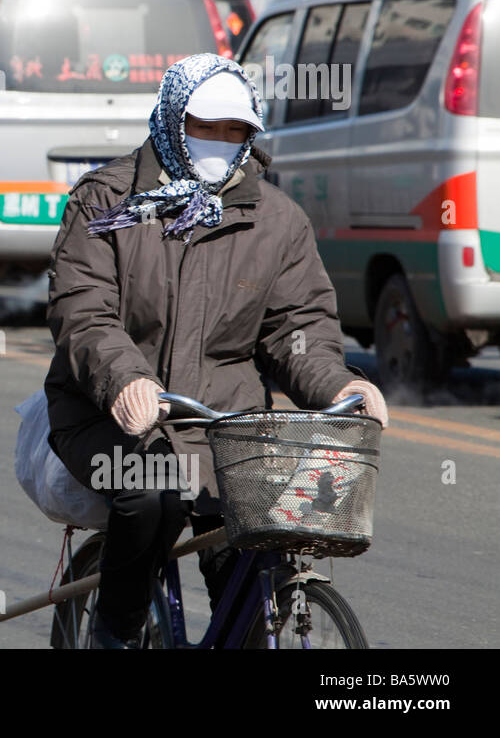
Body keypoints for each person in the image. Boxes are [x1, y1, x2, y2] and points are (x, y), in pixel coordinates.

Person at [44, 52, 390, 649]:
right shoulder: (106, 202)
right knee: (152, 494)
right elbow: (84, 313)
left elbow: (297, 328)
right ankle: (115, 632)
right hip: (110, 412)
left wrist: (339, 386)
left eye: (236, 131)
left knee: (263, 547)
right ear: (174, 120)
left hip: (225, 423)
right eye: (206, 127)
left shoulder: (277, 220)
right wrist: (125, 378)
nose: (221, 142)